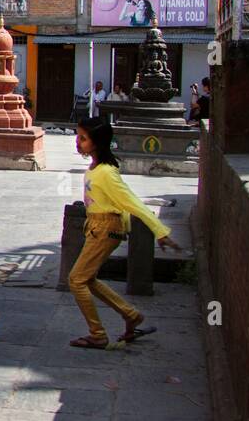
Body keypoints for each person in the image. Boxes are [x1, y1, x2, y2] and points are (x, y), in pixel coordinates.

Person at [69, 117, 178, 349]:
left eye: (83, 139)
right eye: (78, 137)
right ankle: (131, 315)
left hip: (106, 229)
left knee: (76, 280)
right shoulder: (96, 168)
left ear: (97, 142)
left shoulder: (107, 173)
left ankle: (97, 334)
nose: (78, 142)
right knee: (87, 278)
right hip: (97, 227)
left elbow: (132, 202)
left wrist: (159, 231)